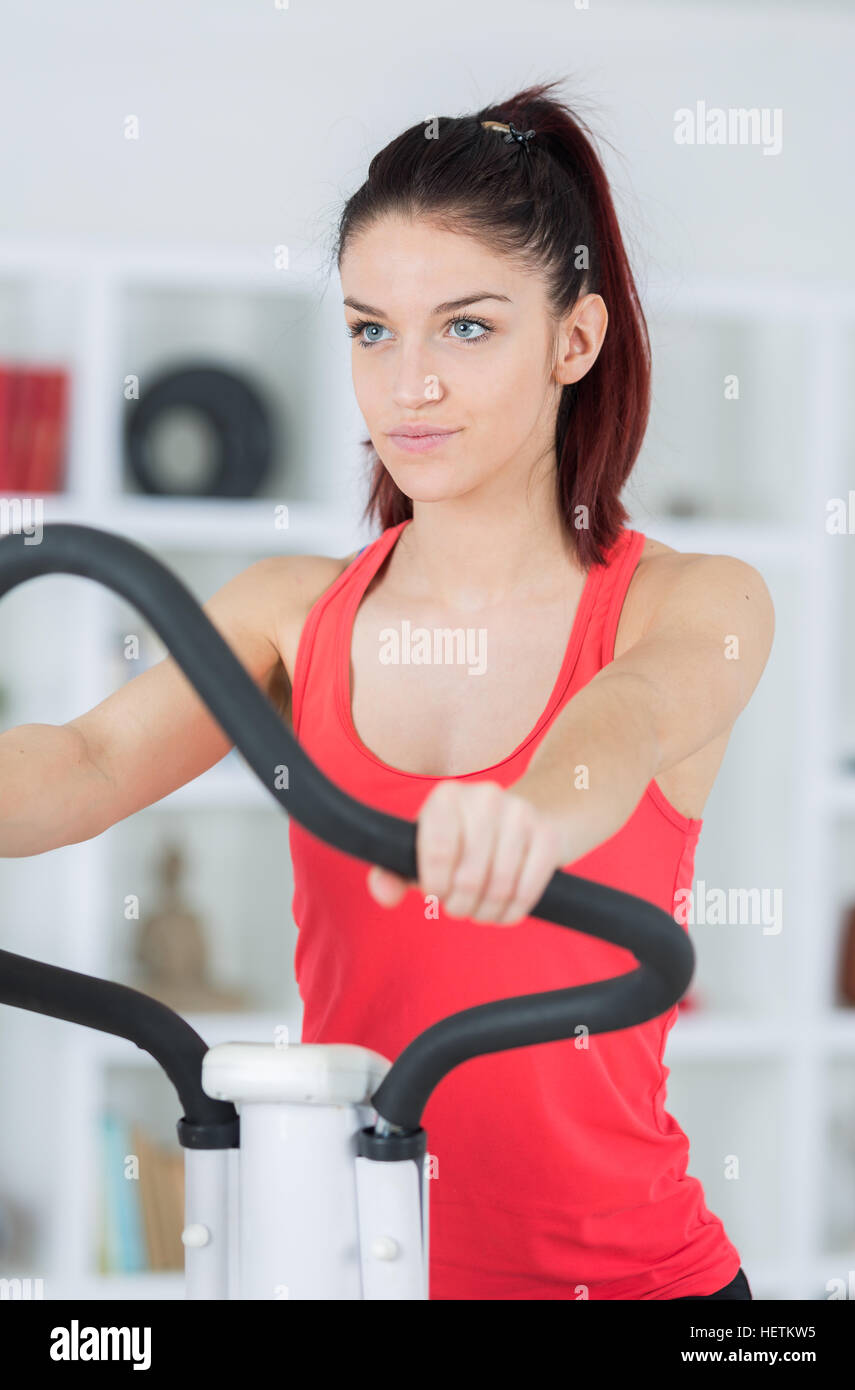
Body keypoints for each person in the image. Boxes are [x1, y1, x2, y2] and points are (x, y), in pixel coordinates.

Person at [0, 79, 773, 1301]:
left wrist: (525, 820)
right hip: (363, 1277)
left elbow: (622, 724)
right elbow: (84, 764)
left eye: (465, 327)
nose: (406, 384)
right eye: (371, 329)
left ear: (573, 339)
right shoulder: (288, 613)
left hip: (640, 1288)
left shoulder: (695, 600)